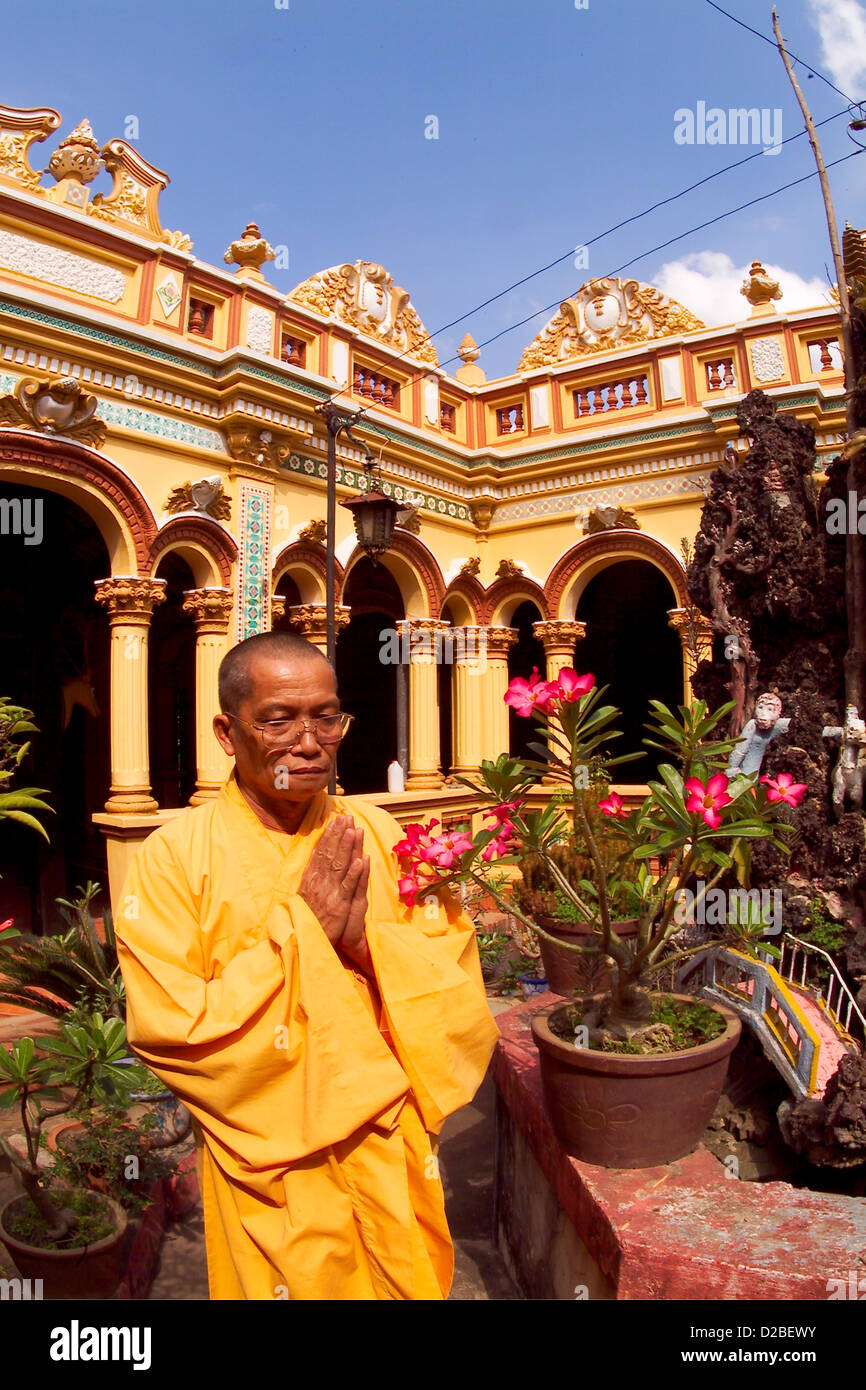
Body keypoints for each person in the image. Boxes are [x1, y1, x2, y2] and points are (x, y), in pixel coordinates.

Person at [114, 631, 499, 1301]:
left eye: (326, 717)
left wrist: (367, 950)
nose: (310, 742)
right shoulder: (172, 860)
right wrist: (301, 933)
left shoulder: (380, 836)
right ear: (227, 733)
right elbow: (170, 1026)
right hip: (268, 1160)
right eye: (277, 720)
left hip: (387, 1138)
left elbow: (454, 982)